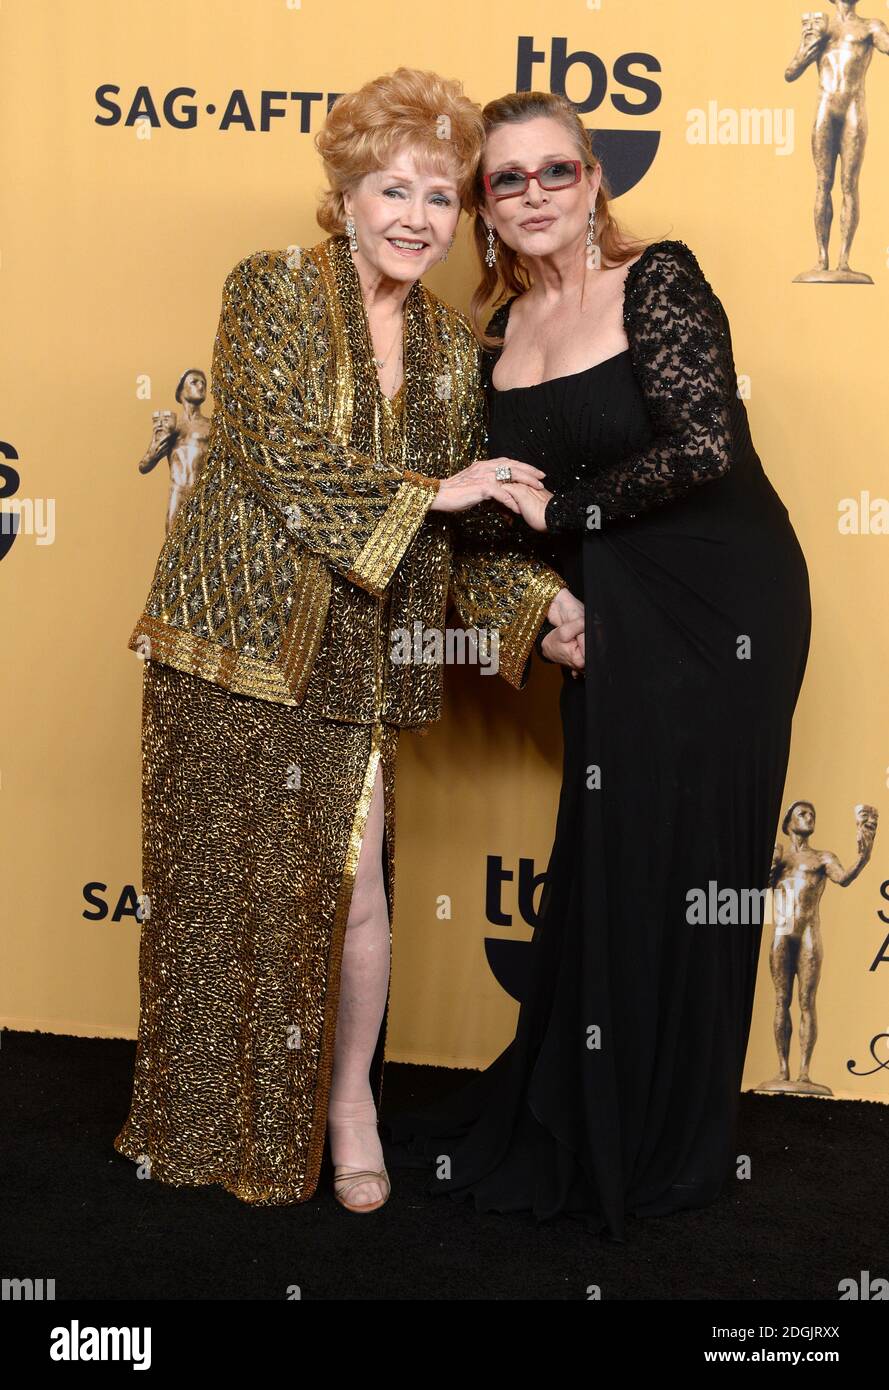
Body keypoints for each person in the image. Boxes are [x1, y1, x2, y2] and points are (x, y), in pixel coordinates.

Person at [113, 69, 576, 1215]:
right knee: (212, 888)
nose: (418, 218)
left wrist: (540, 610)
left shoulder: (452, 352)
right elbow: (277, 454)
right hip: (228, 643)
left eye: (439, 196)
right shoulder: (268, 288)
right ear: (348, 194)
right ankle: (187, 1117)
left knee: (355, 893)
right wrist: (439, 488)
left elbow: (466, 528)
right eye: (394, 190)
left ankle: (346, 1107)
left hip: (354, 662)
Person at [385, 91, 812, 1242]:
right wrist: (544, 595)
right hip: (600, 614)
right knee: (613, 858)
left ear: (591, 181)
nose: (532, 195)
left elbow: (705, 443)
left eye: (553, 172)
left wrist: (563, 505)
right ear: (481, 202)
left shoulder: (658, 279)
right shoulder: (488, 345)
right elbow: (486, 524)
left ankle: (671, 1138)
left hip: (723, 597)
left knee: (688, 861)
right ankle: (591, 1110)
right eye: (504, 180)